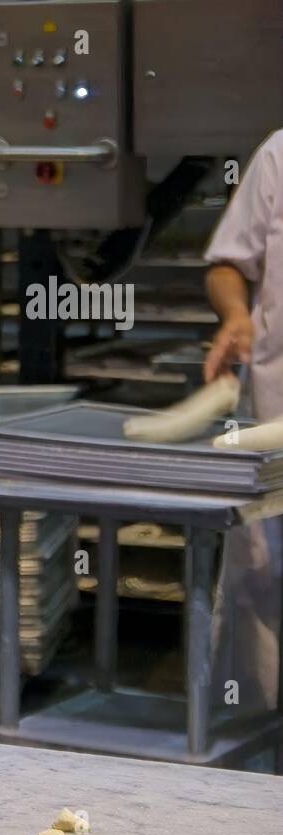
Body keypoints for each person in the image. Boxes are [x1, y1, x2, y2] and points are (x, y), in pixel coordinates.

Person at [201, 128, 283, 712]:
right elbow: (229, 263)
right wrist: (235, 314)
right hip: (275, 428)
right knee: (264, 583)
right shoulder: (281, 154)